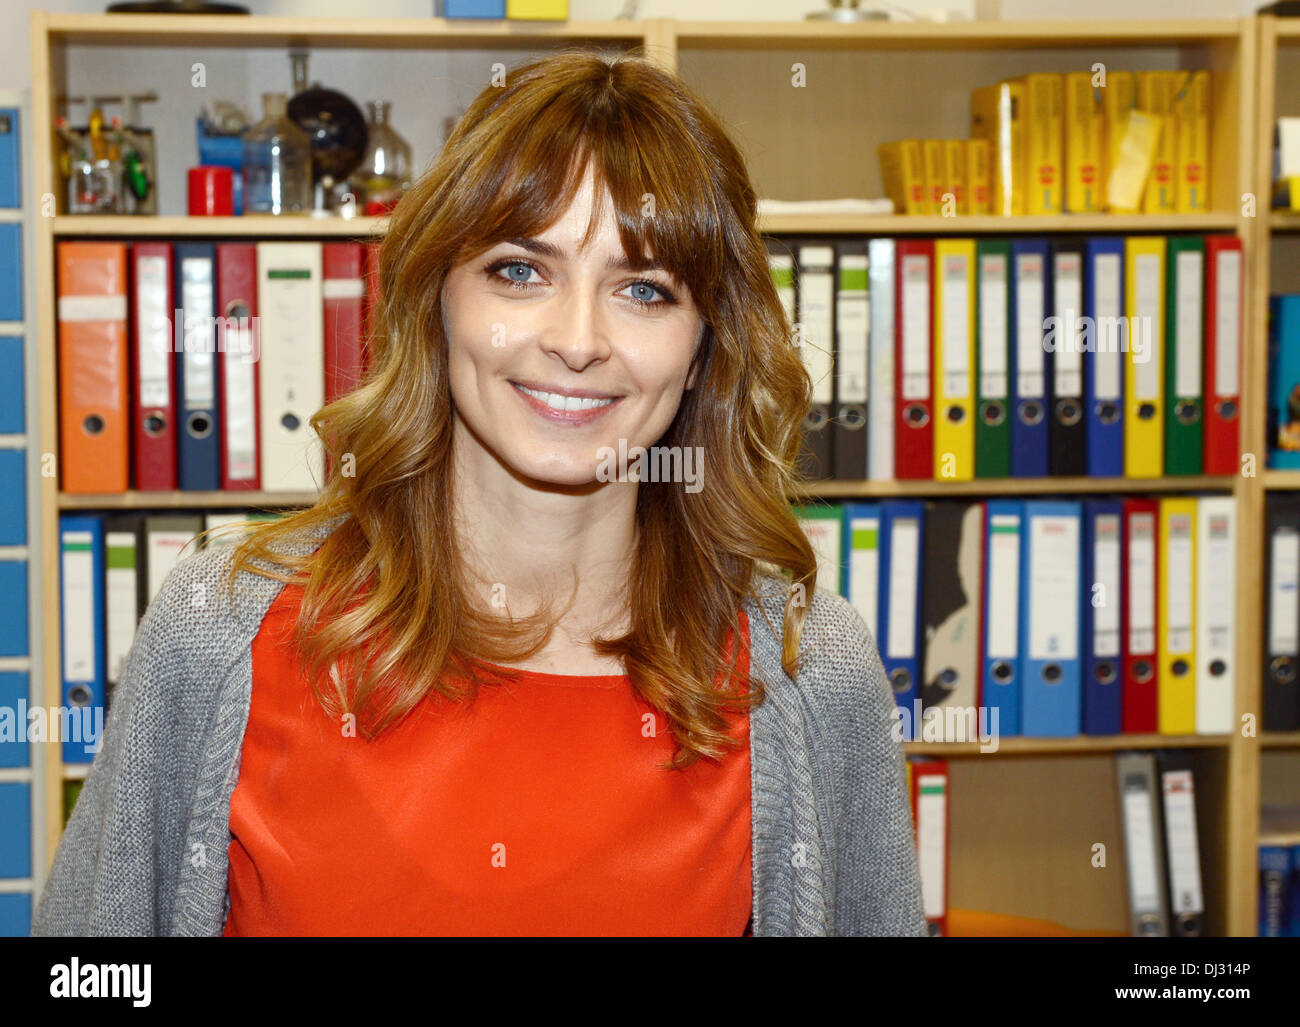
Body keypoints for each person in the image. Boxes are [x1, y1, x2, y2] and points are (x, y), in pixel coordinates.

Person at [33, 48, 926, 937]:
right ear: (435, 298)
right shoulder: (220, 629)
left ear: (704, 350)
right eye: (519, 271)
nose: (578, 340)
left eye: (644, 290)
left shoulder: (811, 670)